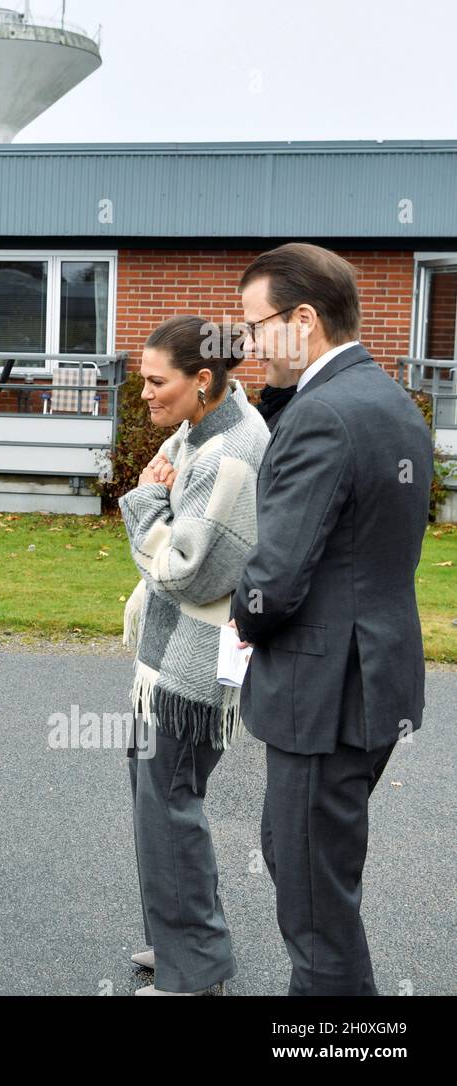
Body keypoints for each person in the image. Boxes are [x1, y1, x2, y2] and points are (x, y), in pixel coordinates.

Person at [231, 243, 432, 995]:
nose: (247, 348)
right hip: (371, 682)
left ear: (304, 318)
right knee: (301, 865)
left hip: (324, 695)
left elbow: (276, 580)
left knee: (315, 912)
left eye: (256, 328)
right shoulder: (387, 399)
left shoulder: (323, 416)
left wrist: (238, 620)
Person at [119, 315, 269, 996]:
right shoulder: (200, 431)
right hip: (170, 660)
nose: (144, 395)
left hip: (192, 665)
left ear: (201, 380)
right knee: (160, 806)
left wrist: (146, 500)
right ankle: (179, 945)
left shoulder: (226, 453)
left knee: (170, 808)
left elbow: (186, 571)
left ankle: (194, 973)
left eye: (156, 382)